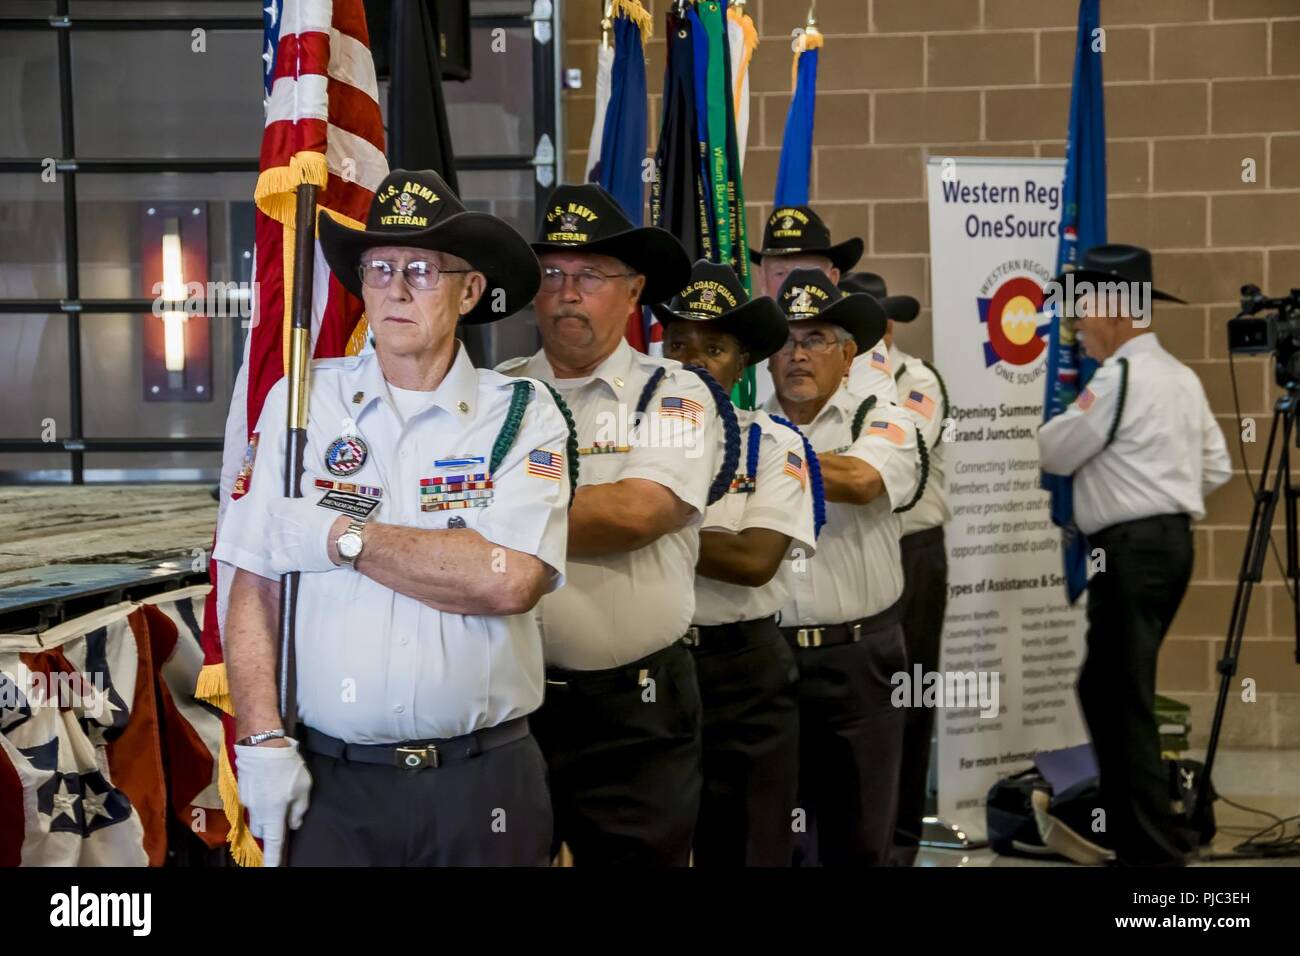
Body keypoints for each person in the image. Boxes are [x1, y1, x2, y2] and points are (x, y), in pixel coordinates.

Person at [214, 169, 571, 866]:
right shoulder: (301, 402)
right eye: (378, 268)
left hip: (482, 782)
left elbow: (507, 581)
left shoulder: (522, 413)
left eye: (420, 269)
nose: (395, 289)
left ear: (470, 290)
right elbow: (253, 579)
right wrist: (259, 737)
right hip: (334, 784)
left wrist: (340, 537)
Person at [498, 183, 733, 866]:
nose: (567, 292)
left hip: (638, 711)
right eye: (550, 274)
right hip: (516, 708)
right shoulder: (497, 395)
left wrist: (486, 510)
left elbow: (637, 514)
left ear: (633, 294)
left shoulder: (680, 393)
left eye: (591, 275)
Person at [1037, 243, 1231, 867]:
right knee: (1107, 688)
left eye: (1084, 310)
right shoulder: (1179, 376)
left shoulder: (1118, 378)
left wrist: (1141, 501)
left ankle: (1155, 856)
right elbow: (1218, 466)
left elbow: (1056, 452)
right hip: (1168, 546)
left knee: (1123, 700)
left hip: (1130, 551)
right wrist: (1163, 495)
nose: (1078, 326)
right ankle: (1139, 833)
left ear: (1117, 310)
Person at [656, 259, 818, 866]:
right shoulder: (626, 444)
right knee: (655, 836)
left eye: (714, 347)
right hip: (657, 667)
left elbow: (754, 559)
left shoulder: (774, 443)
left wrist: (642, 528)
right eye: (679, 344)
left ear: (741, 363)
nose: (693, 361)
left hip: (743, 670)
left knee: (749, 843)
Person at [764, 268, 923, 865]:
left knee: (859, 838)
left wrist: (759, 456)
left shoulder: (883, 416)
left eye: (815, 340)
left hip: (859, 660)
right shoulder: (747, 415)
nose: (797, 355)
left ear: (849, 353)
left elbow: (860, 480)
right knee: (773, 837)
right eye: (784, 341)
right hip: (768, 656)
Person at [840, 272, 951, 866]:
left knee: (912, 692)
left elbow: (882, 464)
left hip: (914, 551)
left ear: (886, 327)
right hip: (854, 552)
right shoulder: (825, 384)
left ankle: (902, 837)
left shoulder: (916, 381)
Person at [750, 206, 895, 403]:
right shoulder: (745, 341)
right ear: (762, 280)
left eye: (809, 272)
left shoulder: (859, 341)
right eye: (780, 273)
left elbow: (874, 416)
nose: (795, 284)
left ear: (833, 278)